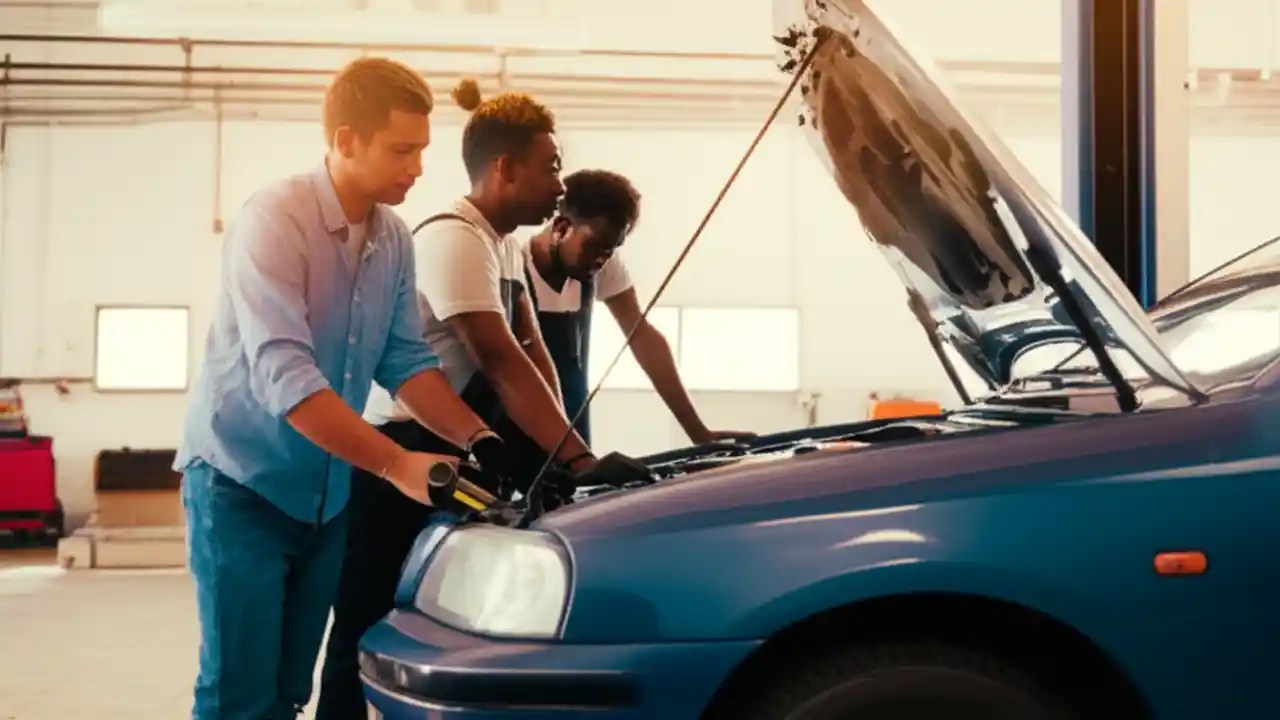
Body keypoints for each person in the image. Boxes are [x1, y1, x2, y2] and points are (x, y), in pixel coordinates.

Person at [173, 57, 514, 720]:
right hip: (241, 485)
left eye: (423, 150)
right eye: (401, 150)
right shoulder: (274, 220)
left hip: (325, 495)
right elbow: (287, 377)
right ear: (344, 140)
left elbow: (405, 360)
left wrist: (480, 437)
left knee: (287, 693)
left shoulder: (391, 238)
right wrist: (395, 462)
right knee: (239, 694)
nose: (417, 167)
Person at [316, 90, 609, 719]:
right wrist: (578, 461)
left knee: (445, 620)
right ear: (504, 168)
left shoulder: (499, 244)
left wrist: (567, 457)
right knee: (364, 625)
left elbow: (534, 355)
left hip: (458, 443)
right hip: (397, 455)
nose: (560, 185)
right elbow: (499, 357)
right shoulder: (453, 239)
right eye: (549, 166)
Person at [522, 168, 756, 446]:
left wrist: (697, 432)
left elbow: (643, 338)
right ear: (561, 228)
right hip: (516, 434)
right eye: (595, 247)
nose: (602, 259)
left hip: (573, 435)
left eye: (611, 250)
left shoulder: (599, 269)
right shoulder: (512, 269)